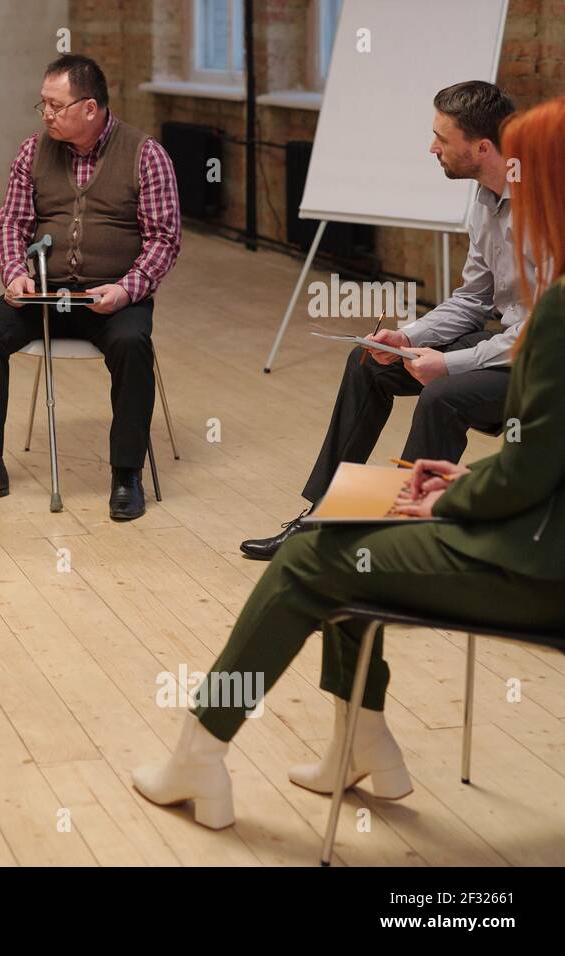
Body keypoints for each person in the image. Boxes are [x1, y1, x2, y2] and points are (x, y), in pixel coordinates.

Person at [132, 96, 565, 830]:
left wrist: (448, 500)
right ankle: (360, 744)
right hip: (538, 529)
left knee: (311, 559)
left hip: (538, 564)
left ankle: (199, 755)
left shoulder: (557, 311)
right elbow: (542, 453)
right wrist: (466, 472)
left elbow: (530, 465)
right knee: (347, 526)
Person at [241, 81, 530, 560]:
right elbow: (472, 299)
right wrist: (407, 337)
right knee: (368, 362)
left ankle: (401, 540)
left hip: (544, 361)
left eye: (442, 137)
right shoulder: (484, 198)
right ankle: (320, 516)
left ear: (481, 147)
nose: (431, 147)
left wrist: (451, 364)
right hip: (508, 344)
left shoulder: (545, 210)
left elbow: (539, 331)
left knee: (442, 395)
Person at [0, 54, 181, 521]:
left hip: (111, 297)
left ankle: (126, 472)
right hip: (44, 293)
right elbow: (12, 221)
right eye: (43, 105)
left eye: (55, 105)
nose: (46, 113)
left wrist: (129, 289)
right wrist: (15, 273)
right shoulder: (32, 151)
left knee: (133, 343)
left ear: (89, 108)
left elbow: (164, 240)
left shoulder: (145, 154)